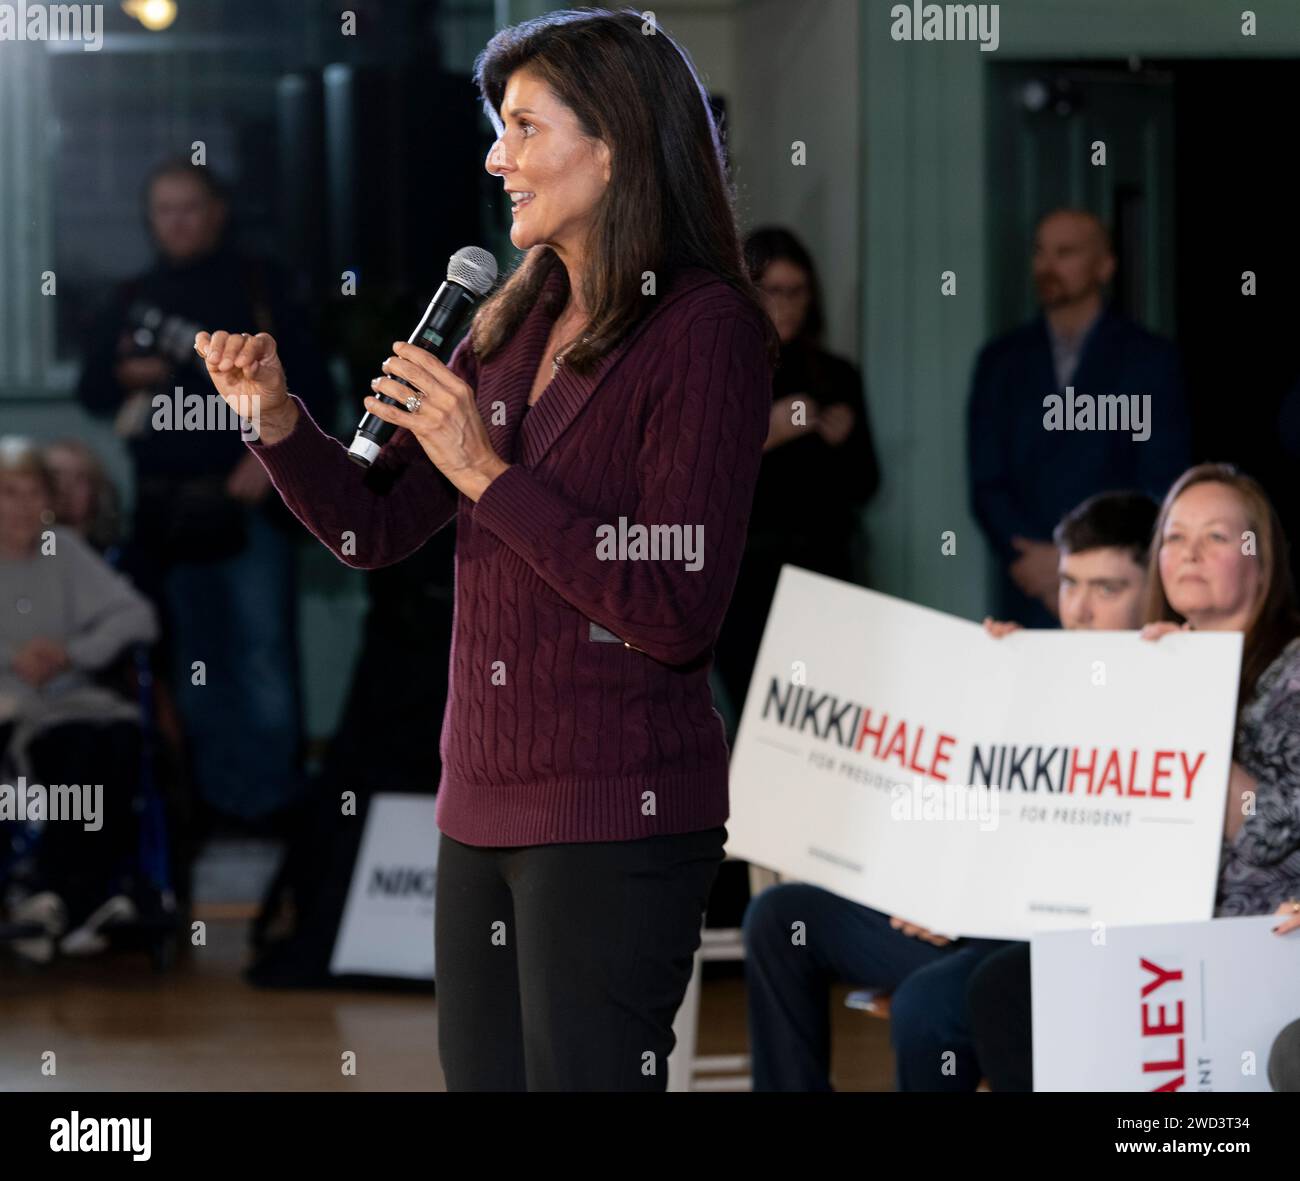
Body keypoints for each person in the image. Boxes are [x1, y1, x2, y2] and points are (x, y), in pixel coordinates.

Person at [195, 8, 778, 1091]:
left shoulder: (704, 329)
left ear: (614, 144)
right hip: (479, 805)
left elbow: (672, 603)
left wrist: (487, 471)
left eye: (521, 127)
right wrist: (278, 420)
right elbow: (374, 527)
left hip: (615, 810)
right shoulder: (508, 315)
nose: (494, 156)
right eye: (494, 128)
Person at [742, 489, 1158, 1091]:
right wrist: (930, 884)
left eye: (1107, 589)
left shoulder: (1172, 696)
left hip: (1045, 944)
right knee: (779, 918)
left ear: (1153, 590)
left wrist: (967, 899)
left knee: (926, 1005)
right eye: (1070, 584)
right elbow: (959, 806)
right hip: (966, 923)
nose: (1080, 610)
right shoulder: (1028, 665)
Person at [968, 463, 1300, 1091]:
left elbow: (1272, 829)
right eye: (1175, 538)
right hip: (1137, 926)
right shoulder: (1141, 656)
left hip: (1251, 942)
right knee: (1004, 988)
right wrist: (1011, 674)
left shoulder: (1290, 673)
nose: (1189, 555)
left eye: (1217, 538)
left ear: (1260, 554)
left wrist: (1182, 707)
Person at [75, 159, 336, 827]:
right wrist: (124, 372)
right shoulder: (132, 293)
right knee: (194, 656)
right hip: (166, 510)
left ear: (218, 211)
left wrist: (274, 458)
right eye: (164, 208)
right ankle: (212, 802)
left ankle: (273, 803)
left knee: (261, 653)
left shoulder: (259, 287)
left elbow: (316, 385)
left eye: (190, 206)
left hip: (250, 506)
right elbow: (91, 391)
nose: (178, 221)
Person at [968, 208, 1190, 629]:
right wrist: (1037, 564)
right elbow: (987, 482)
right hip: (1028, 586)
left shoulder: (1150, 360)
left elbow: (1162, 477)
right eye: (1039, 252)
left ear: (1104, 266)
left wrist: (1078, 560)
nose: (1046, 266)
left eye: (1065, 252)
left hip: (1120, 587)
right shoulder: (1000, 361)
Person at [712, 227, 880, 730]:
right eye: (772, 290)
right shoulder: (722, 370)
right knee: (757, 727)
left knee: (825, 730)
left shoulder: (835, 375)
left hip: (823, 574)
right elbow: (698, 478)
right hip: (744, 578)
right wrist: (767, 431)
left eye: (796, 291)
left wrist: (842, 440)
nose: (785, 303)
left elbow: (866, 484)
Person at [0, 439, 159, 960]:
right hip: (12, 706)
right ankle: (56, 894)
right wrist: (14, 655)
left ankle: (72, 899)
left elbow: (137, 616)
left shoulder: (61, 548)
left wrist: (71, 652)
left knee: (111, 742)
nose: (21, 507)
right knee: (64, 752)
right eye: (8, 493)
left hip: (73, 702)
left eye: (32, 493)